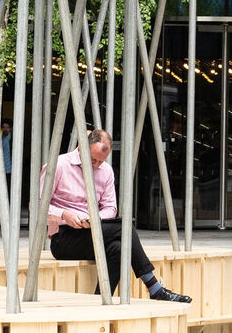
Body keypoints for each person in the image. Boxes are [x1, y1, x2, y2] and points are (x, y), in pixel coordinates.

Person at [45, 130, 190, 304]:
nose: (97, 165)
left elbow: (110, 208)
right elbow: (37, 205)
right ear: (81, 148)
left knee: (119, 248)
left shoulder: (105, 171)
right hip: (63, 237)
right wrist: (64, 214)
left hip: (92, 231)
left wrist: (94, 219)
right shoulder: (59, 165)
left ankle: (99, 300)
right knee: (125, 228)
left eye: (101, 160)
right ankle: (154, 287)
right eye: (93, 159)